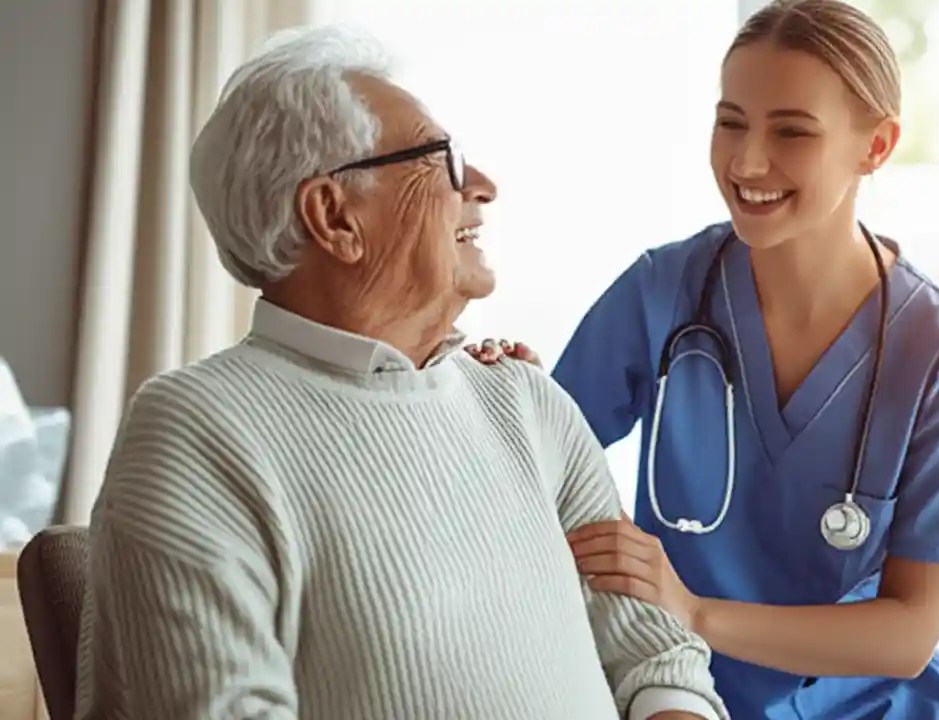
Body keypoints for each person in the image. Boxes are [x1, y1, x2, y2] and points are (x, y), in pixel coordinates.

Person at [72, 26, 727, 720]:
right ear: (334, 216)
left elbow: (658, 655)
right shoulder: (197, 431)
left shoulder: (527, 401)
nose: (482, 185)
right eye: (442, 160)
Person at [467, 1, 939, 717]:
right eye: (731, 123)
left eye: (792, 131)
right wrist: (513, 401)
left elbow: (908, 632)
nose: (747, 162)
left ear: (875, 147)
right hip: (680, 698)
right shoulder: (663, 292)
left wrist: (692, 610)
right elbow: (536, 471)